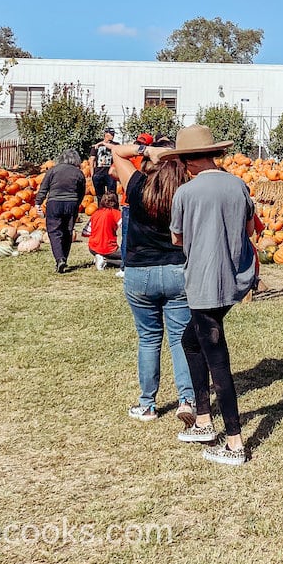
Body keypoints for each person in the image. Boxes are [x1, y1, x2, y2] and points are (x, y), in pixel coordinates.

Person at [164, 125, 259, 466]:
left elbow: (177, 240)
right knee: (191, 340)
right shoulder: (238, 185)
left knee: (218, 361)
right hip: (234, 279)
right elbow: (250, 229)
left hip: (205, 283)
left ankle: (234, 443)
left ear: (188, 161)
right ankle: (203, 419)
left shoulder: (186, 194)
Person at [106, 137, 196, 425]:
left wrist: (146, 150)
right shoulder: (186, 192)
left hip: (139, 273)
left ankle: (147, 404)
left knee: (148, 339)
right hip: (177, 270)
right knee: (181, 339)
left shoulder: (137, 186)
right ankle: (188, 399)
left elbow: (116, 153)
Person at [35, 148, 87, 274]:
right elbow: (81, 192)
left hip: (54, 203)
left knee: (54, 231)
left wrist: (38, 203)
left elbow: (44, 188)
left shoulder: (53, 170)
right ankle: (64, 257)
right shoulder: (78, 173)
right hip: (72, 203)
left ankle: (60, 259)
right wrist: (77, 204)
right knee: (67, 232)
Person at [87, 192, 123, 271]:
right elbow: (125, 227)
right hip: (109, 248)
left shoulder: (95, 213)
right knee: (131, 258)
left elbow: (86, 232)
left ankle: (100, 257)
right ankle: (107, 261)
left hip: (92, 247)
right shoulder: (116, 213)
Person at [90, 128, 118, 199]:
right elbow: (92, 160)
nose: (113, 136)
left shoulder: (116, 145)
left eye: (113, 134)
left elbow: (116, 148)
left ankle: (111, 209)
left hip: (110, 174)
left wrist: (103, 143)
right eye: (111, 134)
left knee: (111, 195)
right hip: (98, 173)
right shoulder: (96, 146)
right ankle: (101, 209)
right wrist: (92, 174)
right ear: (105, 134)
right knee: (100, 196)